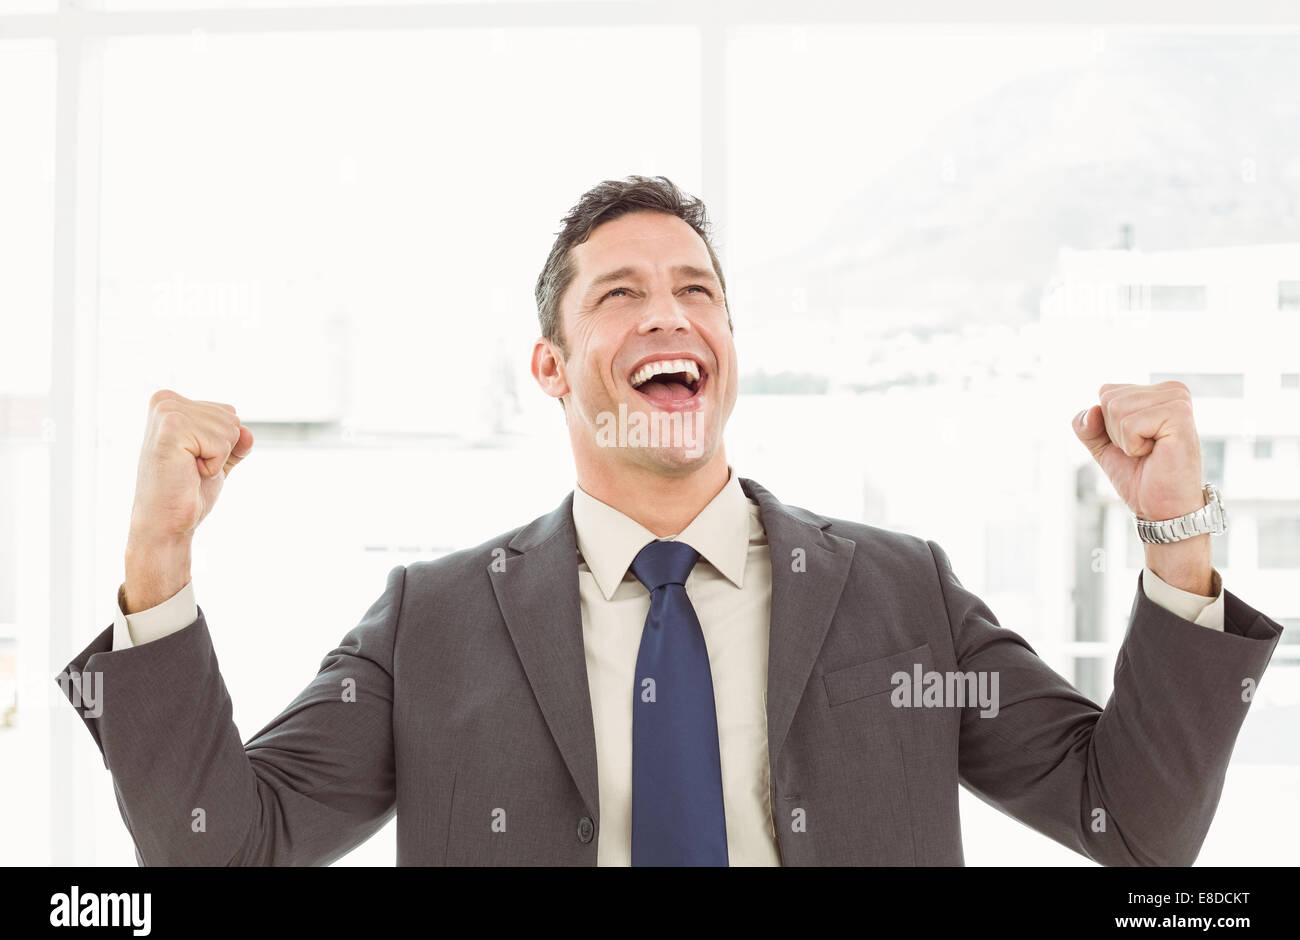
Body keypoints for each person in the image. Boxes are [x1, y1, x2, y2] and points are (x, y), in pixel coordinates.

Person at [57, 175, 1282, 866]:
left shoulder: (903, 593)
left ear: (729, 349)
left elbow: (1138, 821)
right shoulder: (426, 622)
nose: (669, 315)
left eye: (698, 290)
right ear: (550, 365)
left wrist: (1177, 529)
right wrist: (157, 565)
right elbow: (224, 850)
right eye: (622, 294)